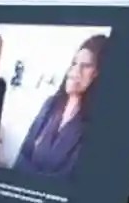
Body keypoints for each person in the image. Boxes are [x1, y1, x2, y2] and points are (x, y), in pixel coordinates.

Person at [13, 34, 107, 177]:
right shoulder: (51, 104)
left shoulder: (95, 124)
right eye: (74, 63)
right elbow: (23, 154)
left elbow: (65, 179)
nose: (76, 71)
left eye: (86, 66)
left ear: (98, 74)